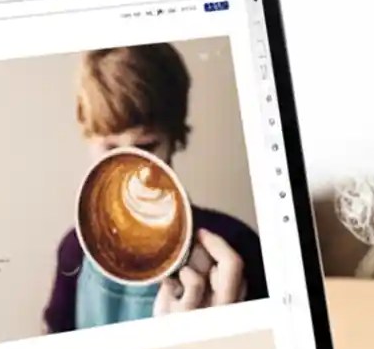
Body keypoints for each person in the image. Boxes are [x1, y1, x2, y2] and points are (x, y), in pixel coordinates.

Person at [44, 44, 266, 333]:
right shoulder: (74, 251)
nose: (130, 164)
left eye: (146, 146)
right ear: (88, 139)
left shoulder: (236, 247)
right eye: (110, 147)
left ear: (175, 139)